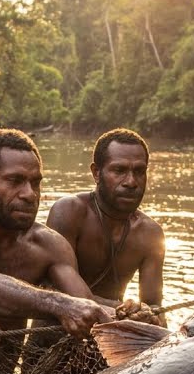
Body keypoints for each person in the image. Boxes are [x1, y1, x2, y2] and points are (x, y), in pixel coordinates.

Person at [0, 129, 114, 336]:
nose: (30, 194)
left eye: (35, 183)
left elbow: (85, 306)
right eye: (15, 181)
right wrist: (62, 304)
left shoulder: (49, 245)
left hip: (3, 369)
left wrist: (126, 313)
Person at [46, 128, 166, 323]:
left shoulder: (150, 234)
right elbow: (56, 290)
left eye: (139, 171)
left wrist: (152, 318)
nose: (131, 182)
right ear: (96, 173)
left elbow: (155, 306)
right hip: (55, 334)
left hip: (111, 334)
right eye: (119, 171)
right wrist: (125, 309)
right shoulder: (69, 212)